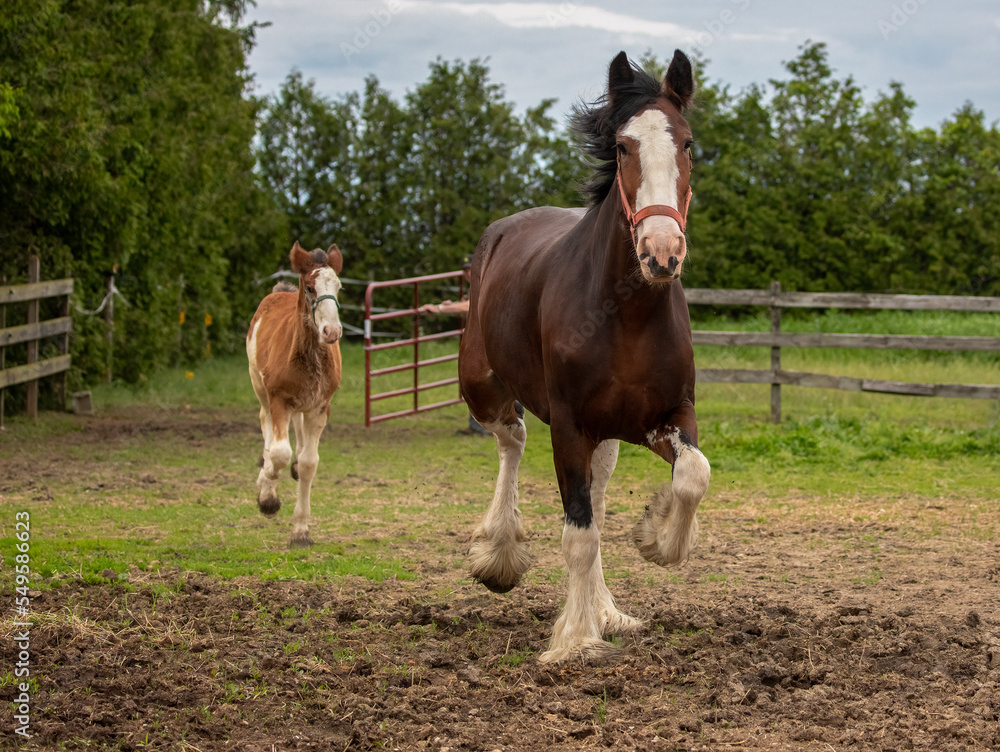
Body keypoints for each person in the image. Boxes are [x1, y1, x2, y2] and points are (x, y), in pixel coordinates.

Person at [420, 255, 490, 436]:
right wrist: (452, 305)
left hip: (488, 342)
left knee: (480, 380)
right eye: (465, 270)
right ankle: (479, 426)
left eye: (470, 269)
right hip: (484, 341)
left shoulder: (485, 280)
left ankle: (486, 426)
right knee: (476, 380)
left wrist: (441, 309)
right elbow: (467, 305)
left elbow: (470, 306)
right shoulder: (478, 282)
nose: (467, 273)